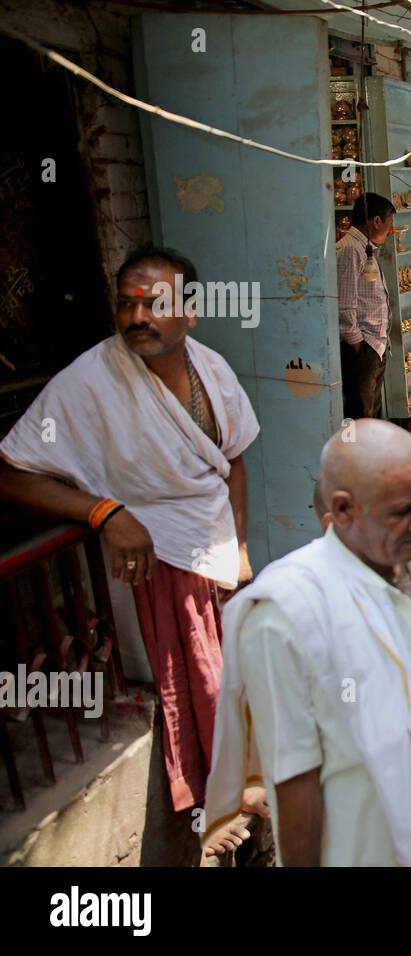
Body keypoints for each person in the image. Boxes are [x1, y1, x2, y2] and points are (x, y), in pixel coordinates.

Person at [0, 245, 259, 815]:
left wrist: (238, 547)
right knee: (189, 687)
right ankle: (213, 804)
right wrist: (104, 513)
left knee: (232, 678)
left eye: (155, 304)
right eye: (126, 304)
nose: (138, 317)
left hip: (213, 553)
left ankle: (244, 789)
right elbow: (11, 476)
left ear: (191, 310)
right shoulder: (89, 381)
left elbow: (234, 459)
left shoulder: (210, 367)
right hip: (153, 562)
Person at [203, 420, 411, 866]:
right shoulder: (284, 612)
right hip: (360, 838)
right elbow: (295, 780)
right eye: (404, 511)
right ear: (343, 510)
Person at [338, 192, 396, 419]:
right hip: (363, 346)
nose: (390, 230)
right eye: (389, 224)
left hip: (374, 344)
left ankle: (372, 453)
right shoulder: (350, 249)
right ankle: (358, 455)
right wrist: (357, 344)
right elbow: (344, 302)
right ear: (377, 221)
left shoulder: (364, 248)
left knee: (371, 411)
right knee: (361, 412)